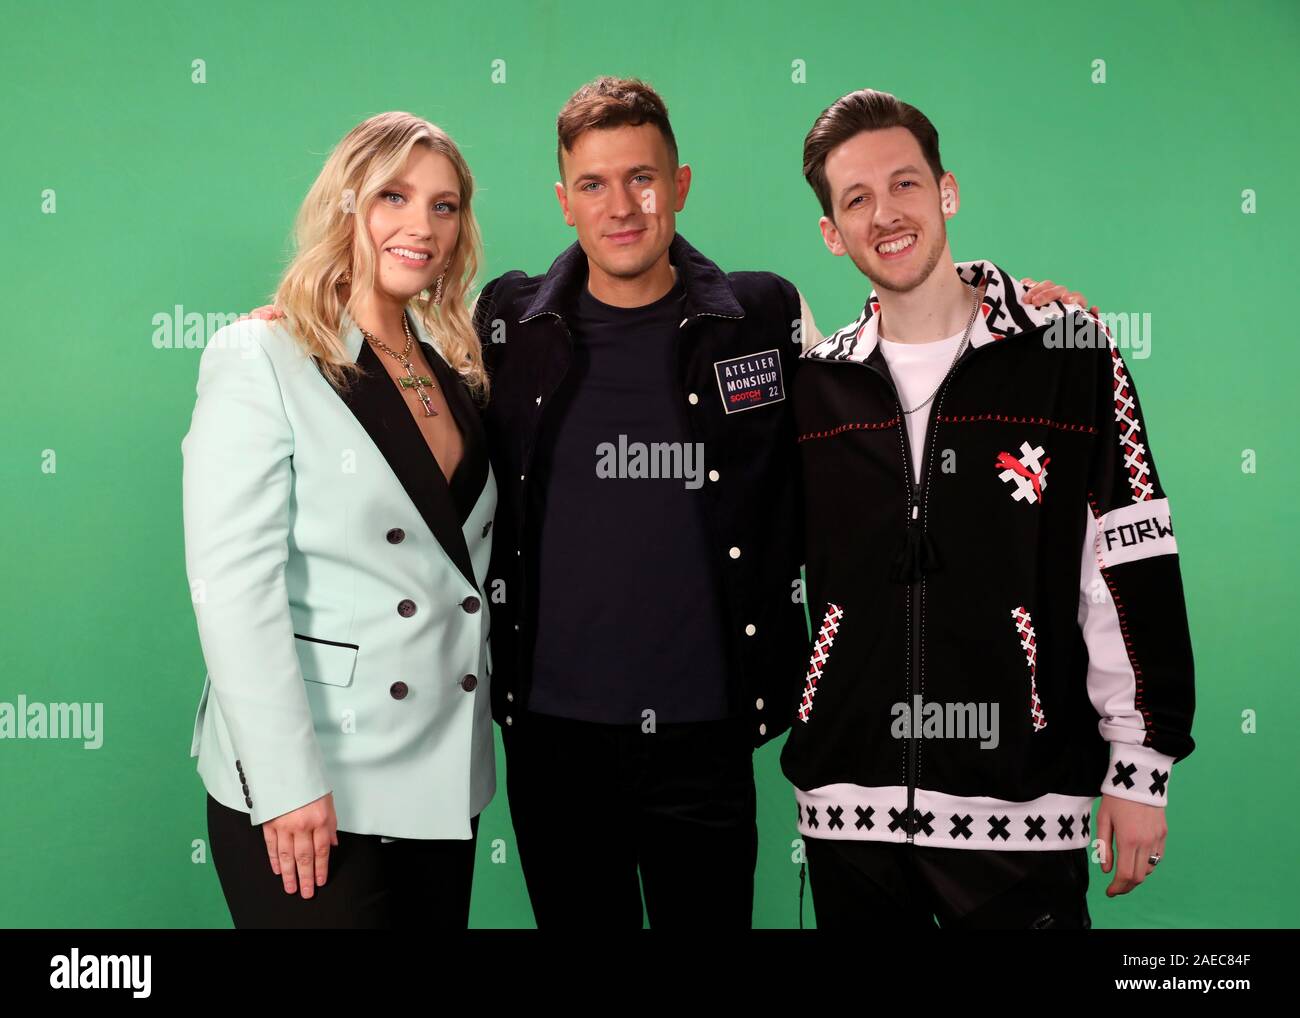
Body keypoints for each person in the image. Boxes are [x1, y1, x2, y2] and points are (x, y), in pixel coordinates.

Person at [472, 76, 1089, 928]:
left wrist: (1011, 313)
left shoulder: (760, 315)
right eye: (594, 184)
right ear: (564, 201)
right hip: (552, 741)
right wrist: (307, 316)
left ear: (679, 184)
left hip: (709, 739)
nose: (622, 205)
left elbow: (891, 366)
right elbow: (402, 373)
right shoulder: (506, 322)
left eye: (643, 178)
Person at [781, 88, 1196, 929]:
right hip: (845, 812)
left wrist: (1140, 768)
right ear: (832, 233)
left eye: (904, 184)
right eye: (855, 199)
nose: (885, 214)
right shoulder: (815, 388)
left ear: (947, 192)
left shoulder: (1068, 354)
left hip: (1023, 805)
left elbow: (1126, 557)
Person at [182, 111, 496, 929]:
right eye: (394, 196)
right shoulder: (262, 356)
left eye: (445, 205)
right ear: (347, 204)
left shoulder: (453, 368)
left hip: (438, 776)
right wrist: (286, 784)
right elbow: (235, 590)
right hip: (315, 783)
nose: (420, 226)